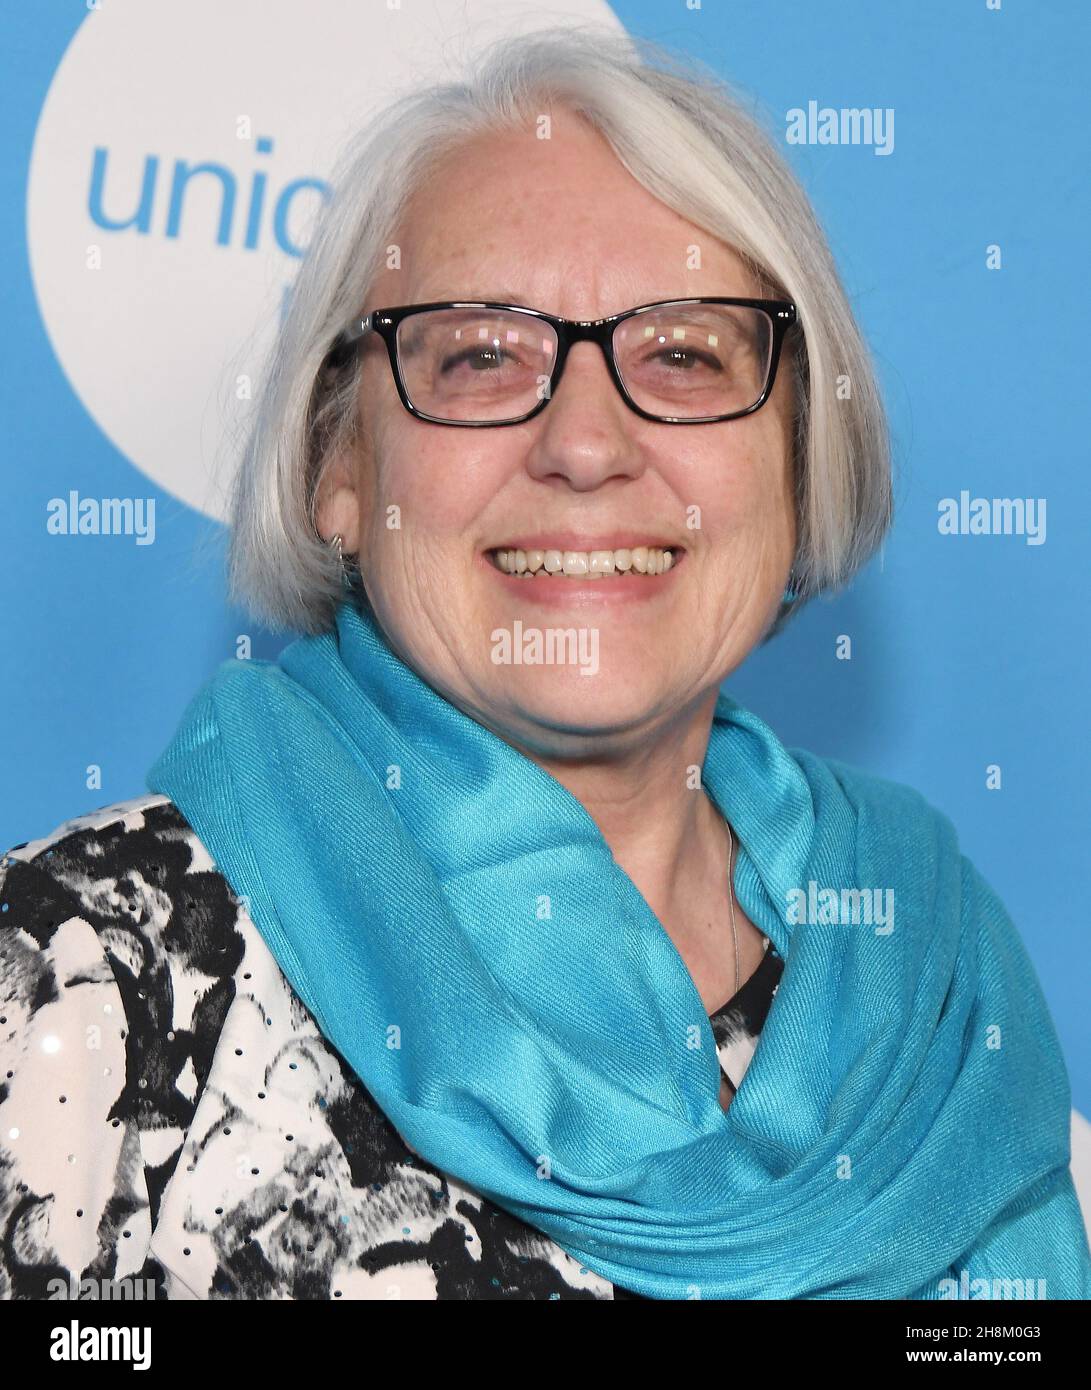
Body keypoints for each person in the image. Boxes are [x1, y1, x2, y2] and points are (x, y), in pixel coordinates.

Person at [2, 25, 1088, 1301]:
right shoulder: (78, 982)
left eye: (682, 354)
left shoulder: (942, 988)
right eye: (477, 356)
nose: (585, 442)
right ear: (338, 468)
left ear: (797, 467)